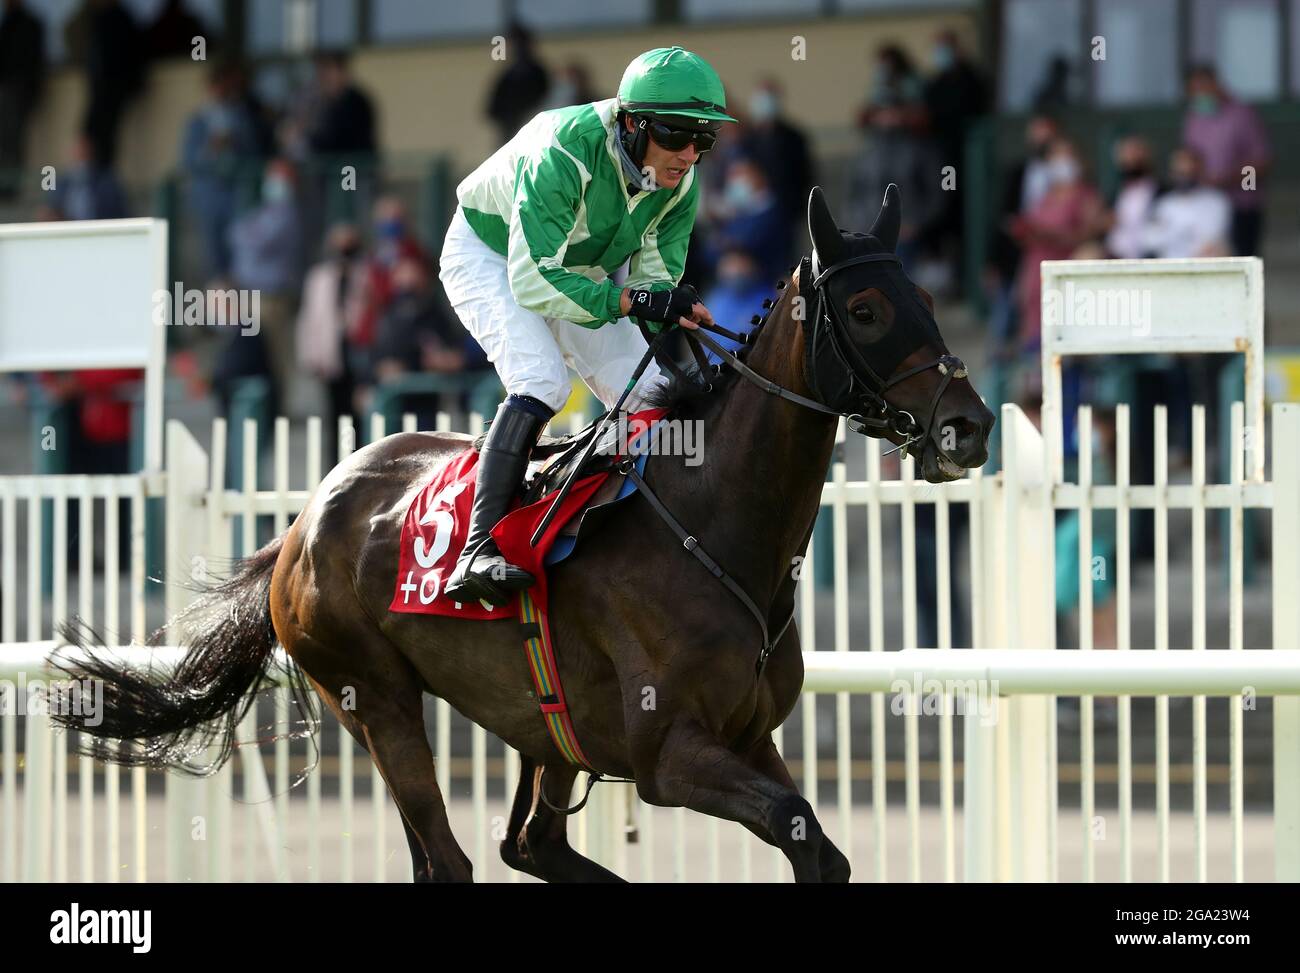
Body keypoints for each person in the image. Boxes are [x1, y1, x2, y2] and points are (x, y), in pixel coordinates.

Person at [438, 46, 733, 605]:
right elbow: (533, 282)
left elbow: (654, 274)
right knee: (542, 380)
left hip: (575, 267)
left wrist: (670, 303)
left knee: (647, 392)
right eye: (676, 135)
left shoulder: (680, 185)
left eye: (704, 139)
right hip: (491, 256)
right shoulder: (561, 149)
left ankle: (590, 521)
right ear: (632, 123)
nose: (690, 154)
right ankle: (478, 549)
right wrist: (629, 299)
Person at [1009, 137, 1102, 351]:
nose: (1060, 161)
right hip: (1035, 277)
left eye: (1066, 155)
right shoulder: (1046, 197)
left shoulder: (1087, 195)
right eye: (1055, 156)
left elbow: (1087, 236)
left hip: (1066, 282)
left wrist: (1050, 235)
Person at [181, 62, 262, 277]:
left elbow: (253, 154)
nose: (223, 90)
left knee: (240, 251)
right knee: (212, 255)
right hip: (209, 197)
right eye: (219, 85)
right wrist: (211, 147)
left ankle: (239, 305)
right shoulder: (198, 120)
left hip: (236, 194)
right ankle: (216, 305)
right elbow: (189, 161)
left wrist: (234, 143)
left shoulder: (241, 117)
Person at [1181, 64, 1271, 256]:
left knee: (1243, 264)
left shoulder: (1242, 115)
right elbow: (1189, 156)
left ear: (1216, 85)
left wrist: (1228, 179)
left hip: (1242, 205)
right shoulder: (1194, 117)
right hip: (1205, 206)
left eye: (1202, 88)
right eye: (1194, 91)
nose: (1199, 95)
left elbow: (1261, 163)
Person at [296, 223, 367, 453]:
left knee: (360, 418)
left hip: (360, 354)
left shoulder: (365, 274)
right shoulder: (320, 278)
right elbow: (311, 320)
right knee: (335, 417)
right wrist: (311, 356)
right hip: (332, 356)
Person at [739, 79, 814, 267]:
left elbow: (805, 175)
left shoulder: (794, 137)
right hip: (754, 215)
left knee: (786, 265)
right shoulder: (749, 138)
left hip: (786, 213)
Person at [1143, 146, 1231, 259]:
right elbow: (1149, 241)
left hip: (1204, 268)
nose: (1184, 177)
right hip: (1169, 268)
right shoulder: (1164, 203)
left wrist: (1169, 230)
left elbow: (1212, 241)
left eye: (1189, 172)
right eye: (1180, 172)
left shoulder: (1216, 201)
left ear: (1199, 170)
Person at [0, 0, 44, 195]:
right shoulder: (8, 21)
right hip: (10, 91)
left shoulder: (29, 24)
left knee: (12, 142)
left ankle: (9, 188)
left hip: (17, 91)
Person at [37, 133, 128, 221]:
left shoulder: (106, 182)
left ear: (92, 150)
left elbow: (119, 213)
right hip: (67, 230)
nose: (81, 152)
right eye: (78, 149)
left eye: (84, 148)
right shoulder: (62, 182)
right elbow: (51, 207)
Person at [485, 22, 549, 145]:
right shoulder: (508, 74)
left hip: (532, 133)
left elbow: (545, 104)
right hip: (511, 134)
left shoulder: (537, 72)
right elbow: (492, 109)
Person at [1104, 136, 1158, 259]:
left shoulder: (1161, 192)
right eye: (1126, 155)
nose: (1131, 159)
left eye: (1135, 153)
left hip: (1149, 257)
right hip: (1115, 257)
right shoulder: (1115, 193)